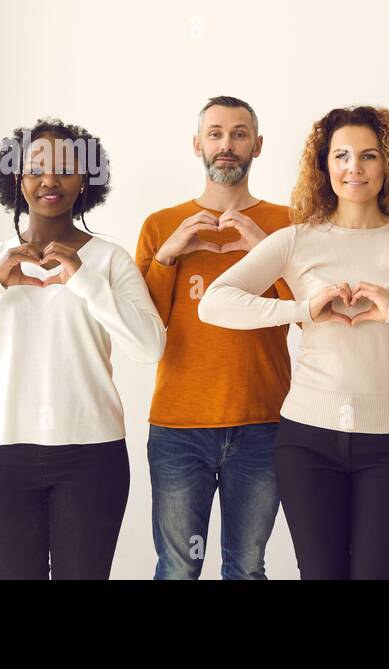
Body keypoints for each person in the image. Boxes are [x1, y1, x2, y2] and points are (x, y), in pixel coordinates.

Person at [198, 105, 389, 579]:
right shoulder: (296, 240)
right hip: (308, 440)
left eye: (368, 156)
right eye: (341, 155)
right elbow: (214, 303)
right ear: (325, 165)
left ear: (388, 165)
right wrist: (303, 309)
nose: (354, 167)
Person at [0, 118, 165, 579]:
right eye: (36, 169)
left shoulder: (108, 259)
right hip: (2, 459)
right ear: (17, 179)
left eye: (65, 169)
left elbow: (150, 347)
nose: (49, 180)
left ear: (85, 180)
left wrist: (84, 281)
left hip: (92, 456)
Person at [135, 96, 293, 580]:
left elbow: (308, 314)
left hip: (263, 422)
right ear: (197, 144)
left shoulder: (287, 224)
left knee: (246, 568)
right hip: (179, 426)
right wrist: (167, 257)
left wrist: (266, 250)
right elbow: (145, 328)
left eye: (239, 134)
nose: (227, 144)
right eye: (216, 133)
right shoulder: (160, 226)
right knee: (178, 568)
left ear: (257, 146)